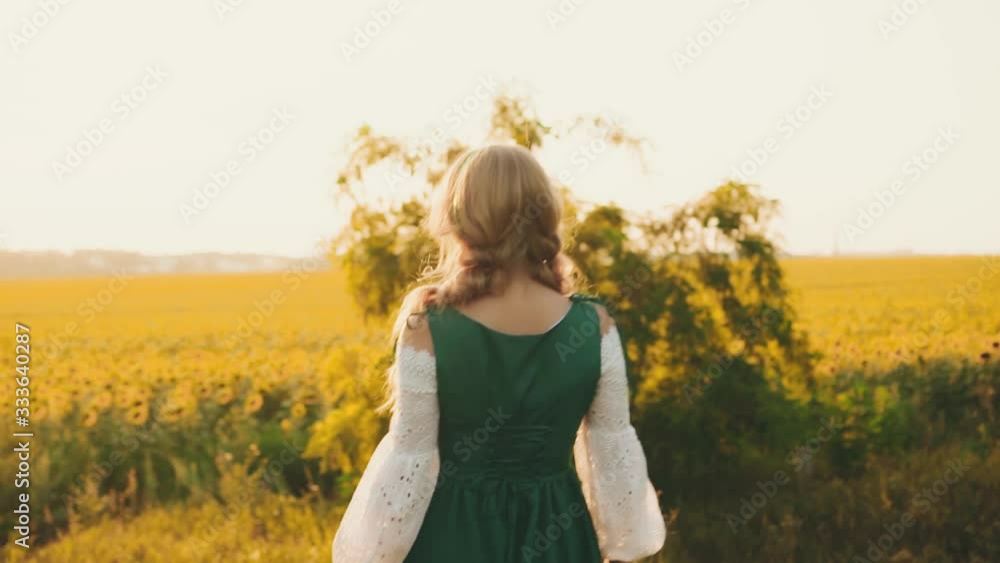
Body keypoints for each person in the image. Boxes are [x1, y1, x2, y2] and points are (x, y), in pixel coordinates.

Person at [332, 144, 665, 562]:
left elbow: (410, 459)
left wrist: (375, 552)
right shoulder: (595, 327)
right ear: (544, 216)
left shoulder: (428, 327)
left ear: (459, 219)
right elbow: (611, 453)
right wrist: (622, 540)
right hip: (558, 536)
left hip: (455, 538)